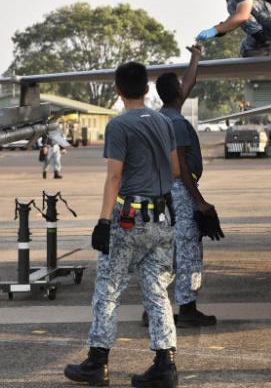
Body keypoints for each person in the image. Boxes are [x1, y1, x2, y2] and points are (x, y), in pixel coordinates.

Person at [64, 61, 181, 388]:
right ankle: (165, 364)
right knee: (156, 290)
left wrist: (103, 221)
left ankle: (97, 362)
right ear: (146, 88)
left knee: (109, 289)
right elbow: (174, 169)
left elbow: (114, 177)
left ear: (118, 91)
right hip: (162, 219)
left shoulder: (119, 126)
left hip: (129, 220)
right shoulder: (164, 121)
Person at [156, 46, 223, 327]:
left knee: (166, 252)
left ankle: (155, 309)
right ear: (177, 94)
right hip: (180, 191)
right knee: (187, 251)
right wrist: (199, 201)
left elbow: (188, 82)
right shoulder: (177, 123)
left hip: (163, 193)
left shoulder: (161, 116)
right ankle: (187, 309)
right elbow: (181, 166)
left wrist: (195, 57)